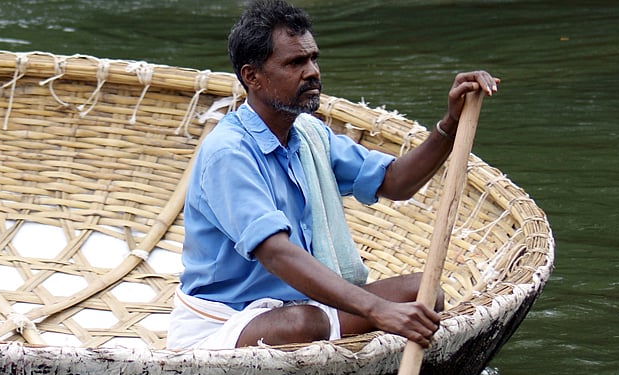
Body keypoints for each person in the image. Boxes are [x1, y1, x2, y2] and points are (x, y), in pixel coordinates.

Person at [167, 0, 499, 350]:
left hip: (304, 308)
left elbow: (396, 182)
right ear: (253, 77)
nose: (312, 72)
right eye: (295, 62)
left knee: (421, 293)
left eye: (313, 58)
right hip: (224, 320)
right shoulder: (229, 152)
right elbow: (276, 253)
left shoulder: (308, 134)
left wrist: (449, 126)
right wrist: (376, 309)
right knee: (304, 323)